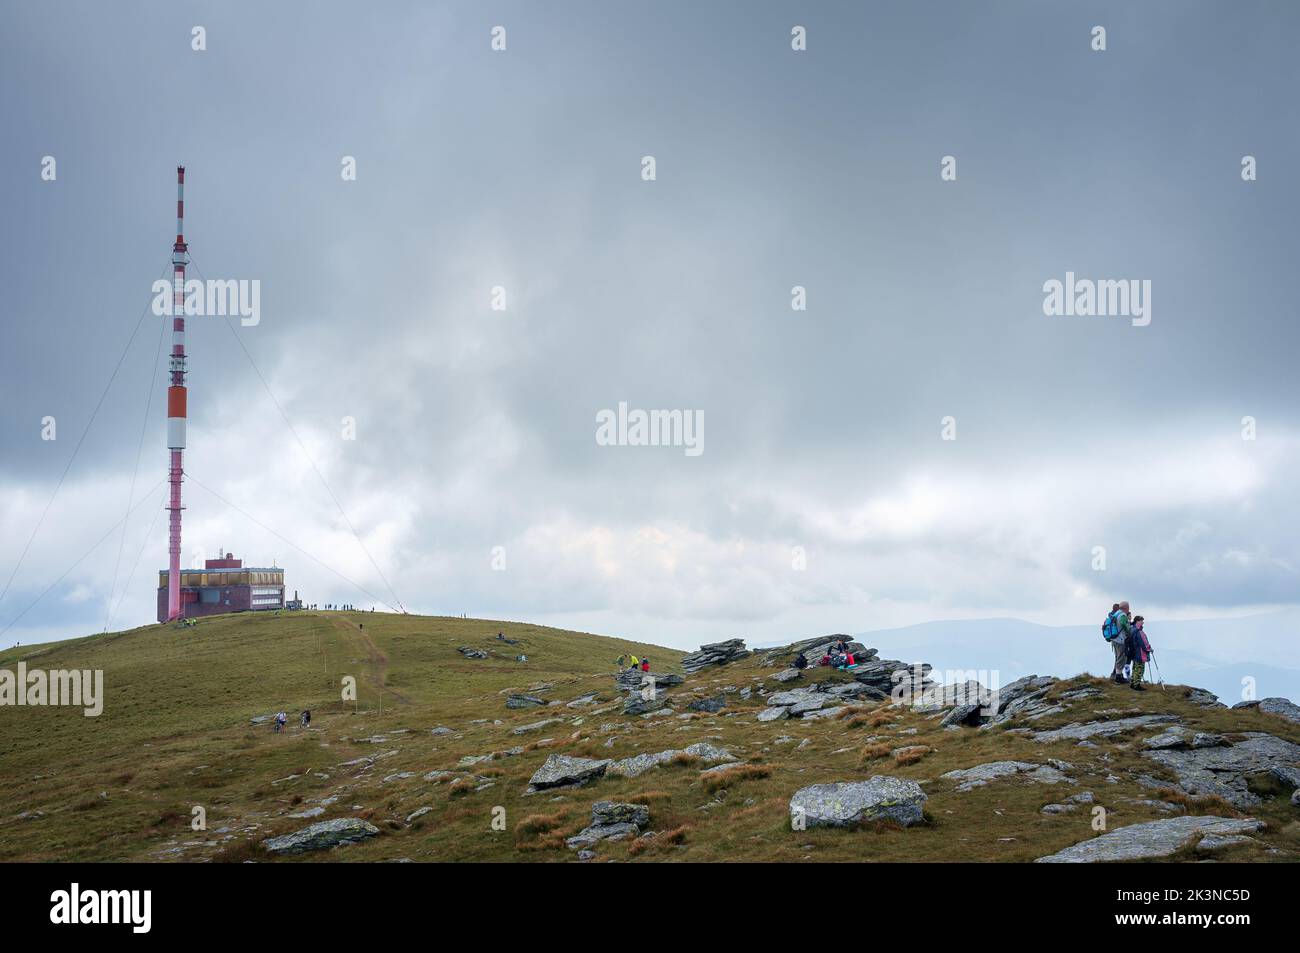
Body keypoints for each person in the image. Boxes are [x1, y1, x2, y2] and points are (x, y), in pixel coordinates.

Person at [1106, 601, 1131, 684]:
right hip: (1120, 640)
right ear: (1126, 608)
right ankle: (1119, 677)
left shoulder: (1116, 614)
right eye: (1128, 608)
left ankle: (1117, 675)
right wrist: (1129, 631)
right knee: (1121, 658)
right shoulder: (1123, 615)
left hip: (1114, 639)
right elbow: (1124, 624)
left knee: (1118, 657)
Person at [1128, 616, 1153, 691]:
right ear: (1137, 621)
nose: (1143, 622)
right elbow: (1143, 643)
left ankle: (1133, 683)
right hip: (1140, 653)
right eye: (1141, 620)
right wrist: (1149, 649)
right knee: (1140, 669)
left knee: (1135, 668)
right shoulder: (1139, 631)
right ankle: (1137, 685)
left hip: (1133, 652)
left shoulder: (1132, 629)